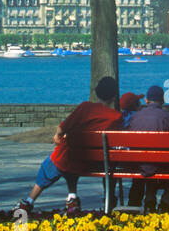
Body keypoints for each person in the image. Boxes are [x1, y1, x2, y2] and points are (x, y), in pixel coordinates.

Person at [16, 76, 123, 216]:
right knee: (71, 160)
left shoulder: (86, 108)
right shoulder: (116, 117)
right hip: (97, 163)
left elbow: (63, 127)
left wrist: (58, 136)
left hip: (72, 157)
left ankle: (29, 201)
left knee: (52, 164)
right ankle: (72, 197)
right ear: (114, 96)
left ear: (97, 93)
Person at [126, 84, 169, 212]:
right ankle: (165, 202)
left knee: (148, 159)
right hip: (159, 163)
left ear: (146, 100)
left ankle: (150, 200)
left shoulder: (134, 117)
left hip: (137, 164)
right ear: (163, 101)